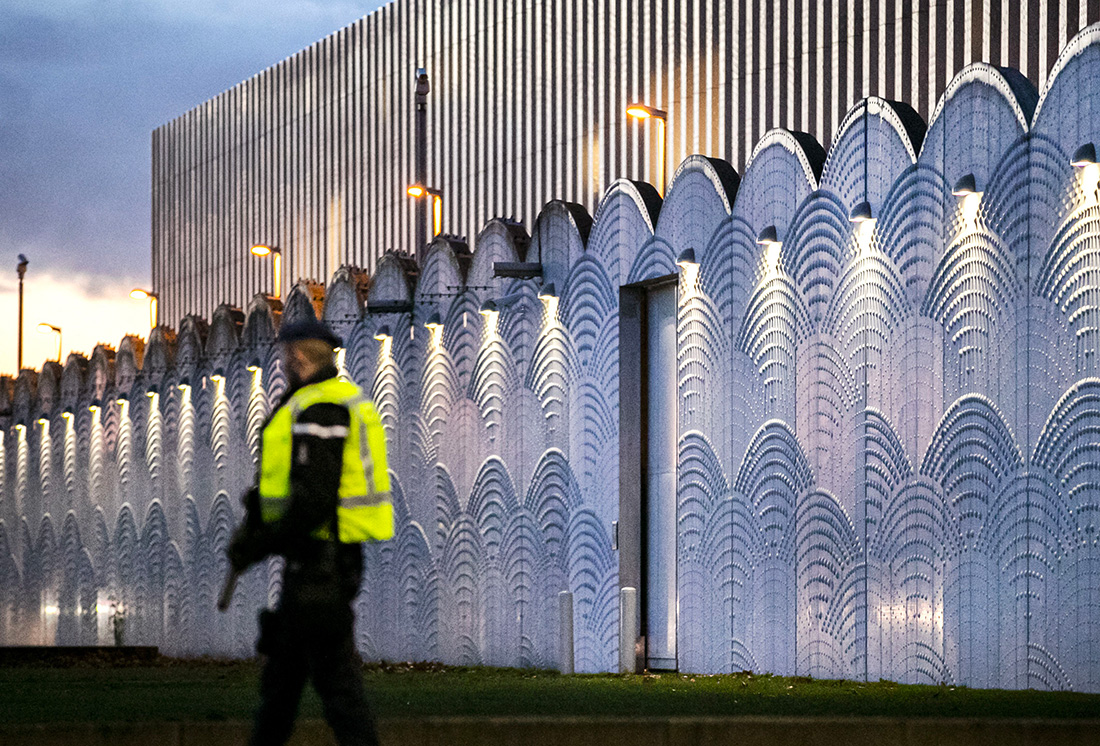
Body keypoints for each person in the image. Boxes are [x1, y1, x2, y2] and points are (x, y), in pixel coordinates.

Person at [225, 318, 394, 746]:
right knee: (288, 688)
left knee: (328, 691)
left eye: (285, 355)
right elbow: (287, 488)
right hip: (320, 566)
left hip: (322, 567)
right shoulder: (322, 402)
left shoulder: (320, 409)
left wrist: (258, 543)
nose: (282, 362)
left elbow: (313, 497)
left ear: (297, 355)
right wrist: (257, 525)